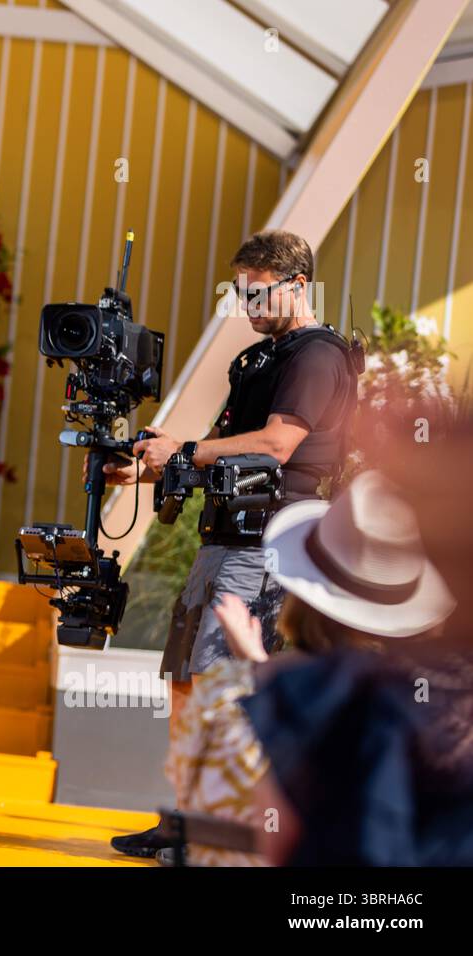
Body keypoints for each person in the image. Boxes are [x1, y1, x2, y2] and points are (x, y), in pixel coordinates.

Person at [104, 230, 360, 858]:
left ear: (297, 285)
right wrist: (146, 466)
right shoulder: (257, 361)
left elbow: (276, 445)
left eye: (255, 292)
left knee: (226, 685)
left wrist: (183, 450)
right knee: (189, 682)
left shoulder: (317, 356)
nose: (245, 306)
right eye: (239, 293)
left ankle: (223, 833)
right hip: (223, 535)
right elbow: (220, 448)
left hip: (268, 542)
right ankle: (183, 823)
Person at [166, 470, 456, 865]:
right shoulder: (444, 714)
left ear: (299, 591)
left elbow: (209, 831)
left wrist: (251, 674)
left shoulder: (234, 701)